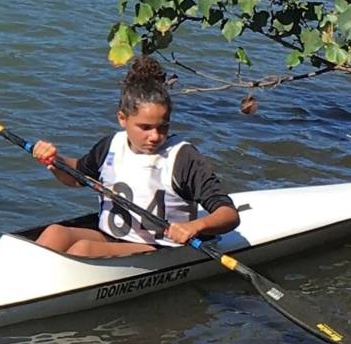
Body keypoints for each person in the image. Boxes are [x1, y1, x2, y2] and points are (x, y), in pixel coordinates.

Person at [27, 55, 239, 257]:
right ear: (122, 118)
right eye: (145, 127)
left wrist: (195, 226)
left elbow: (229, 214)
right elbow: (77, 176)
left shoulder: (183, 157)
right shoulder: (110, 145)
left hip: (156, 247)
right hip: (112, 238)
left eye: (163, 127)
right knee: (55, 232)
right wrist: (55, 161)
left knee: (83, 250)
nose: (155, 136)